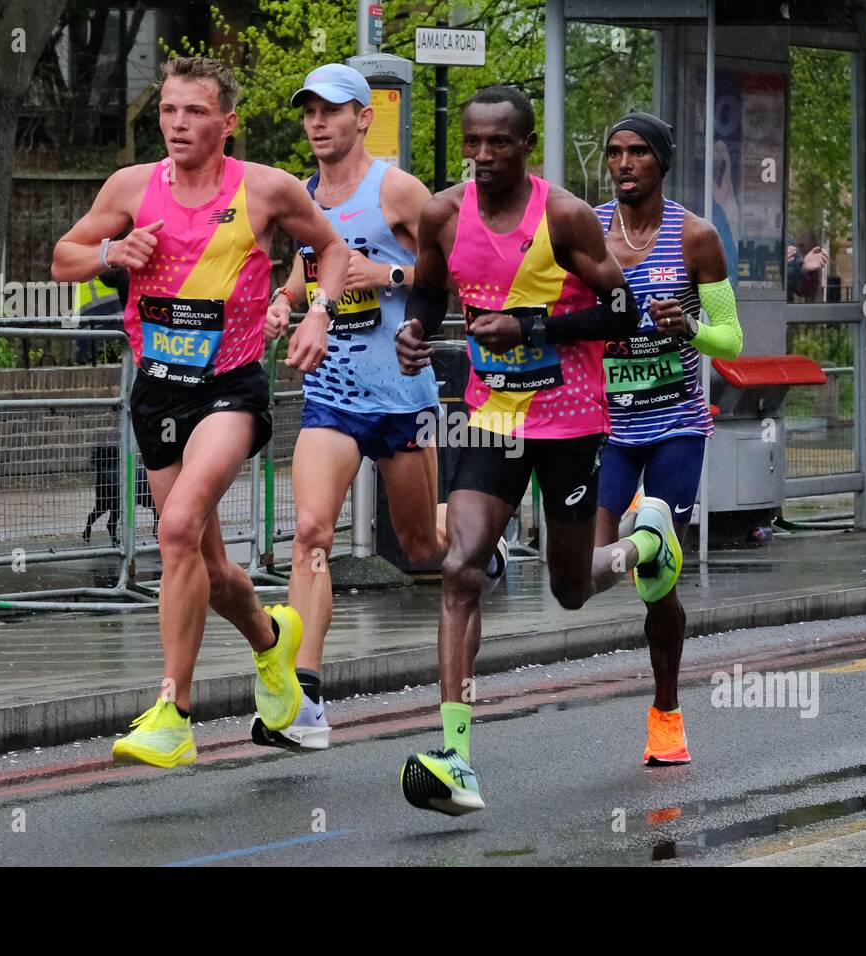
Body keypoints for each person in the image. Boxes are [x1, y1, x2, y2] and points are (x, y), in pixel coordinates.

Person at [393, 87, 684, 815]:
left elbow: (621, 310)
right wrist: (414, 332)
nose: (483, 157)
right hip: (494, 419)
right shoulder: (443, 212)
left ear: (526, 146)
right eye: (473, 143)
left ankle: (644, 547)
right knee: (460, 567)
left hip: (572, 423)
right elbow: (428, 292)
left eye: (499, 144)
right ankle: (456, 755)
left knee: (570, 589)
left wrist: (532, 330)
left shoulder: (564, 216)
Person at [51, 56, 349, 768]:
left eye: (193, 112)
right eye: (168, 111)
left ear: (226, 123)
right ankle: (271, 642)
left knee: (175, 526)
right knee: (206, 567)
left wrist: (318, 316)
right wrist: (110, 253)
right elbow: (63, 257)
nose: (178, 124)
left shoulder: (266, 189)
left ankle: (174, 714)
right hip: (157, 389)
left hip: (230, 387)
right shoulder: (131, 186)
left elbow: (331, 249)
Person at [253, 64, 507, 751]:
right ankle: (305, 698)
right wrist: (283, 305)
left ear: (363, 118)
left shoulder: (395, 189)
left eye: (331, 111)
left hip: (402, 397)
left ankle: (481, 536)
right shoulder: (302, 194)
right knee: (310, 534)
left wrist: (388, 273)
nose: (317, 123)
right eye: (308, 111)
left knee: (422, 546)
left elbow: (455, 271)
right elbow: (302, 275)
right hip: (332, 396)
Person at [594, 111, 743, 766]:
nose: (624, 164)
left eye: (638, 154)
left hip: (678, 424)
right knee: (596, 573)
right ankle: (642, 546)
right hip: (609, 428)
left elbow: (731, 339)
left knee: (654, 555)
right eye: (615, 153)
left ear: (662, 162)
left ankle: (667, 710)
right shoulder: (586, 232)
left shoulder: (696, 237)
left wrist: (687, 328)